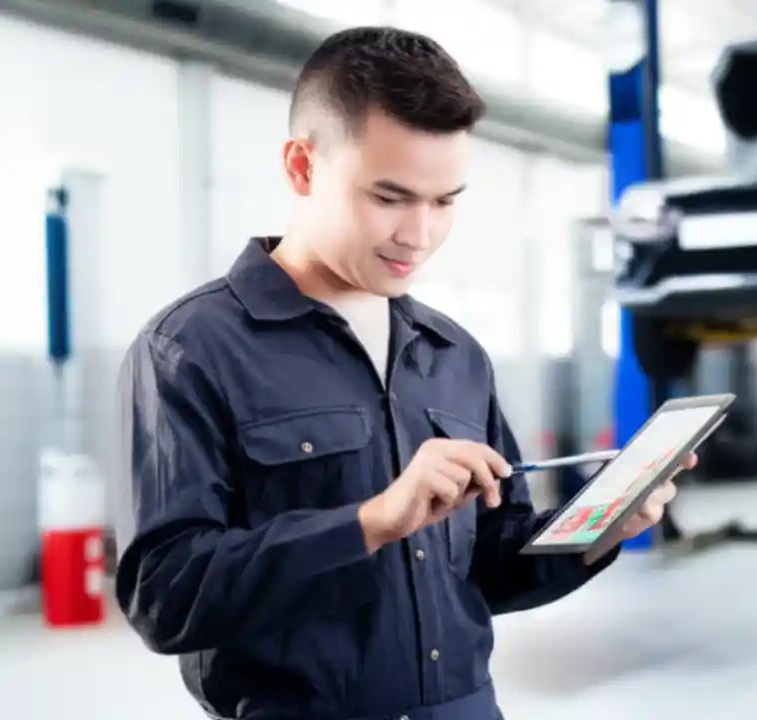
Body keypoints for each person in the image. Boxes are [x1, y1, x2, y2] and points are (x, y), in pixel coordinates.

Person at [112, 26, 694, 720]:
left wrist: (599, 528)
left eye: (445, 200)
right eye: (390, 197)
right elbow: (166, 598)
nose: (419, 234)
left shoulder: (454, 355)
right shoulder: (190, 350)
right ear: (301, 167)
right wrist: (372, 521)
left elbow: (492, 567)